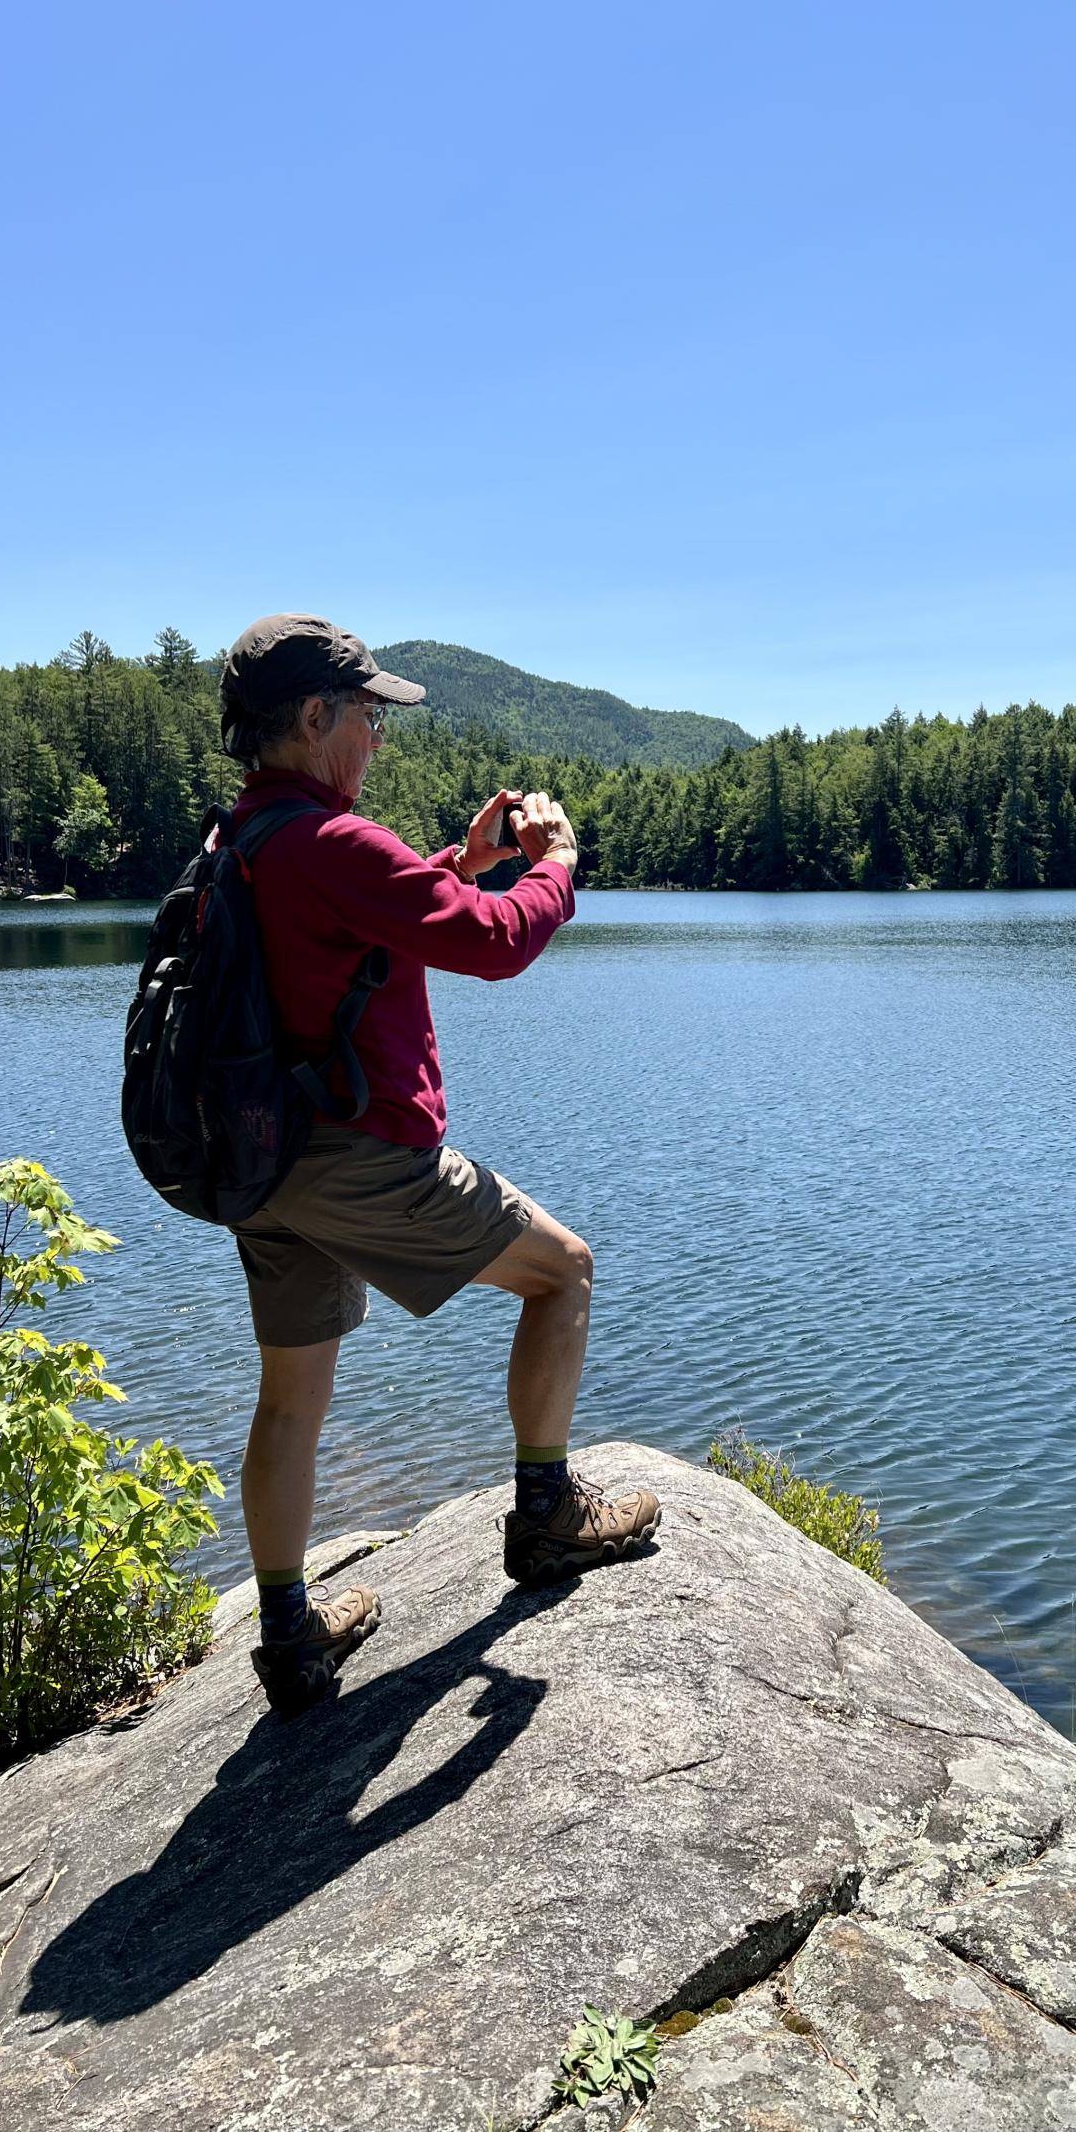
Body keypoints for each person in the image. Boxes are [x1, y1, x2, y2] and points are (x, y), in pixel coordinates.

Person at [217, 613, 661, 1714]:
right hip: (361, 1156)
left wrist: (462, 863)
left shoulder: (248, 840)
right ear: (315, 717)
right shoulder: (331, 842)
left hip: (267, 1162)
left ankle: (289, 1634)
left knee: (291, 1400)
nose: (376, 738)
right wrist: (554, 866)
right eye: (367, 717)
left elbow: (357, 932)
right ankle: (550, 1519)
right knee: (564, 1271)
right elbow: (495, 943)